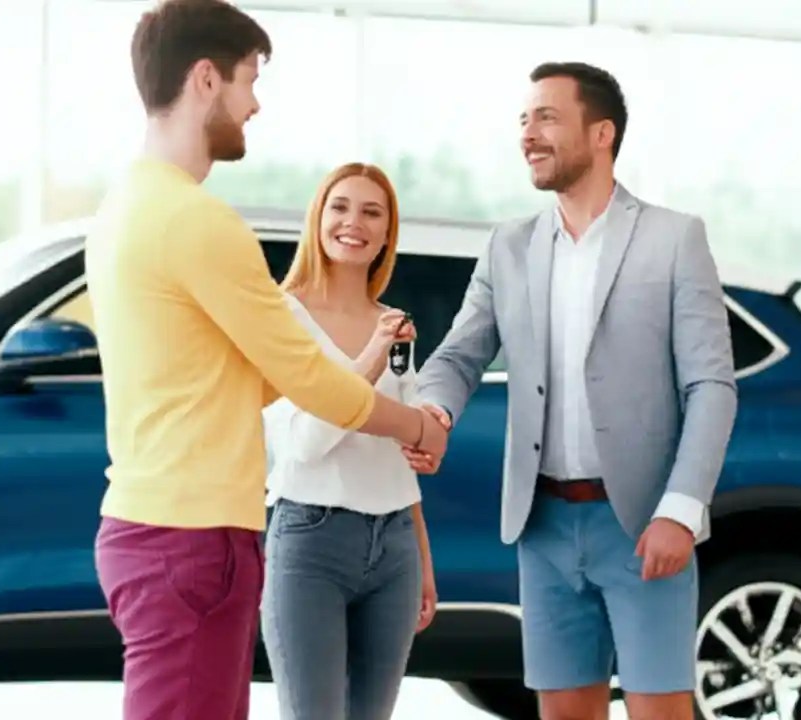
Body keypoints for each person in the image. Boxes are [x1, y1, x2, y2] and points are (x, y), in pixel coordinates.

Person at [84, 3, 446, 719]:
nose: (256, 102)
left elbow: (230, 383)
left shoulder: (125, 206)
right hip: (189, 540)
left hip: (163, 531)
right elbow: (306, 380)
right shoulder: (197, 220)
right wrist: (417, 426)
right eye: (251, 79)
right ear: (206, 78)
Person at [411, 61, 737, 720]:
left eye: (547, 118)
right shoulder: (509, 245)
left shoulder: (675, 239)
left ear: (601, 134)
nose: (528, 133)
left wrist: (680, 509)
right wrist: (430, 409)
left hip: (643, 523)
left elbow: (711, 385)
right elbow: (460, 353)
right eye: (523, 120)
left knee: (660, 714)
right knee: (561, 714)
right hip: (544, 526)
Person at [259, 163, 437, 720]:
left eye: (371, 211)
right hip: (310, 541)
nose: (352, 222)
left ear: (387, 233)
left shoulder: (395, 323)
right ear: (318, 218)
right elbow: (306, 445)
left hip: (394, 549)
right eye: (340, 207)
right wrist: (370, 359)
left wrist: (423, 559)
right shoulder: (282, 317)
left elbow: (401, 458)